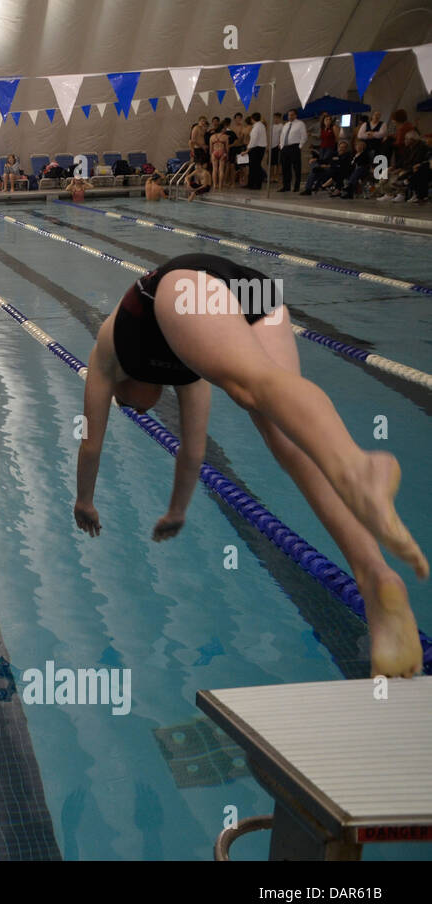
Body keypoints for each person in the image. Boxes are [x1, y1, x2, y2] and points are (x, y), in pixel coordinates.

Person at [74, 253, 427, 678]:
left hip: (187, 283)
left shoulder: (107, 359)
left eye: (128, 407)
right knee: (284, 435)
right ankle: (376, 581)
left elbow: (91, 445)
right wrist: (178, 511)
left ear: (123, 390)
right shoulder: (186, 372)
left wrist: (84, 500)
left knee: (252, 385)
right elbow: (193, 452)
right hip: (255, 291)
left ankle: (356, 464)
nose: (136, 409)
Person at [278, 109, 307, 192]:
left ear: (295, 115)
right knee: (285, 167)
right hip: (285, 148)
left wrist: (300, 146)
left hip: (295, 147)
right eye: (289, 115)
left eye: (291, 115)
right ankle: (286, 186)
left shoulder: (300, 124)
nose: (290, 116)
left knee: (296, 167)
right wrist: (281, 145)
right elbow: (282, 135)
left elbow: (304, 136)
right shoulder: (286, 125)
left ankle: (296, 186)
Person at [245, 112, 267, 189]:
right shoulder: (261, 125)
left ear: (252, 119)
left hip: (256, 148)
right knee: (256, 167)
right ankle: (253, 184)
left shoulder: (256, 127)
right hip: (260, 148)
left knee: (254, 167)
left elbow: (253, 140)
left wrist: (247, 150)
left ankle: (255, 185)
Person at [209, 121, 229, 190]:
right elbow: (227, 148)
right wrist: (227, 154)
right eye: (224, 129)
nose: (225, 130)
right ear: (222, 129)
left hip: (214, 152)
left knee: (214, 169)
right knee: (221, 170)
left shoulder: (212, 137)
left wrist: (210, 156)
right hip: (222, 152)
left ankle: (215, 185)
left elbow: (211, 148)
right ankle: (220, 186)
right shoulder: (225, 137)